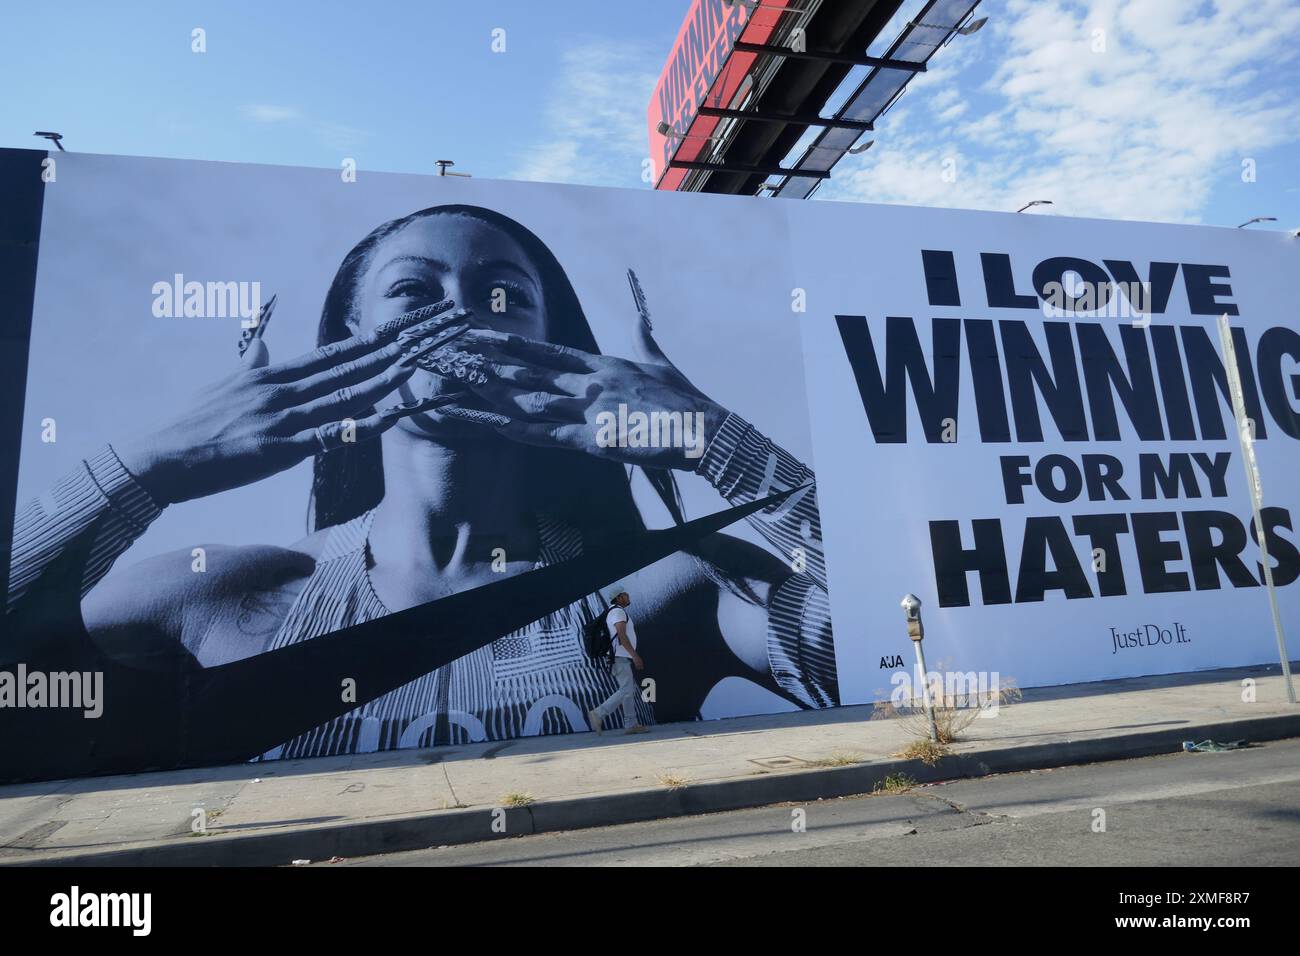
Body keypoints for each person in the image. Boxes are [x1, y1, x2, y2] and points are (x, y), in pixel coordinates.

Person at [7, 203, 838, 764]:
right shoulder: (224, 592)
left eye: (502, 294)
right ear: (350, 336)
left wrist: (713, 441)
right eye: (413, 290)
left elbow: (896, 651)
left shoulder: (658, 587)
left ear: (551, 334)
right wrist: (154, 464)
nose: (459, 315)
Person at [587, 586, 647, 735]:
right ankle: (599, 713)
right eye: (625, 594)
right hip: (620, 656)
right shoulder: (618, 612)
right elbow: (622, 636)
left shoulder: (615, 612)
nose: (628, 596)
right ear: (619, 597)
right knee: (627, 690)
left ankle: (630, 724)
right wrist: (635, 655)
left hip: (619, 656)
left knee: (627, 691)